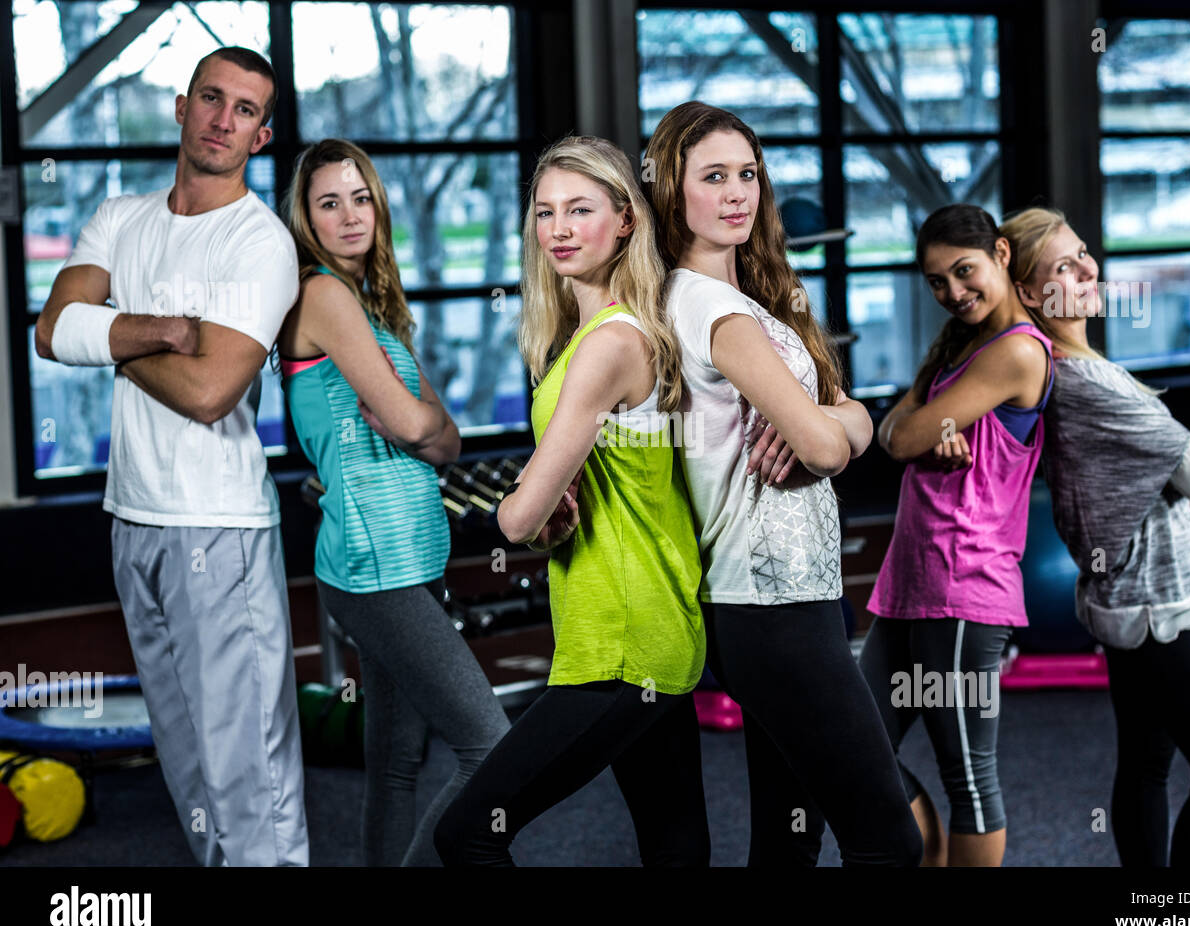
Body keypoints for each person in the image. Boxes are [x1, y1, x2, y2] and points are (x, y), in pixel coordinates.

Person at [33, 47, 307, 866]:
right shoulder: (120, 216)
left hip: (218, 527)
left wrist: (107, 332)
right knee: (184, 754)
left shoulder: (259, 243)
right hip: (132, 517)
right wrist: (155, 331)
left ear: (262, 136)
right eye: (213, 100)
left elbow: (209, 391)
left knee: (246, 764)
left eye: (246, 111)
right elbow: (50, 330)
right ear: (183, 106)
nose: (225, 120)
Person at [643, 100, 921, 867]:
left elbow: (840, 427)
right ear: (673, 189)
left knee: (790, 837)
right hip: (771, 606)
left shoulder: (747, 300)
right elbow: (827, 448)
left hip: (787, 594)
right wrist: (836, 425)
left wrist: (843, 418)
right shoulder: (714, 309)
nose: (737, 192)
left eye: (748, 174)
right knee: (889, 838)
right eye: (713, 177)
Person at [433, 136, 710, 867]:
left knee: (466, 835)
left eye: (579, 209)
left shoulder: (607, 344)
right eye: (545, 211)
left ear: (624, 219)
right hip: (656, 626)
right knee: (675, 845)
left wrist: (493, 516)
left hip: (618, 641)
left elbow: (522, 518)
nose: (557, 228)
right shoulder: (609, 334)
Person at [278, 138, 510, 866]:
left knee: (396, 765)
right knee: (491, 746)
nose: (349, 215)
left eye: (360, 197)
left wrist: (422, 423)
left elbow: (447, 442)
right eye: (328, 202)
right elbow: (417, 424)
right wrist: (419, 421)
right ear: (306, 219)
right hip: (373, 566)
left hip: (407, 557)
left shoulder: (375, 310)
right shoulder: (321, 294)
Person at [1001, 207, 1190, 867]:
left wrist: (1185, 450)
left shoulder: (1071, 367)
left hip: (1128, 598)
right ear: (1029, 292)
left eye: (1084, 252)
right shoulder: (1087, 380)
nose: (1090, 268)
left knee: (1146, 762)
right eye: (1065, 264)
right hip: (1156, 605)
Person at [860, 204, 1054, 868]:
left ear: (1001, 253)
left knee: (967, 777)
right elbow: (894, 435)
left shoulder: (1018, 353)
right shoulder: (959, 348)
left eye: (964, 271)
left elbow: (903, 433)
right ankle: (930, 859)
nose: (953, 292)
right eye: (937, 281)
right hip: (912, 584)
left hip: (967, 588)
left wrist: (915, 431)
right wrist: (914, 431)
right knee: (855, 751)